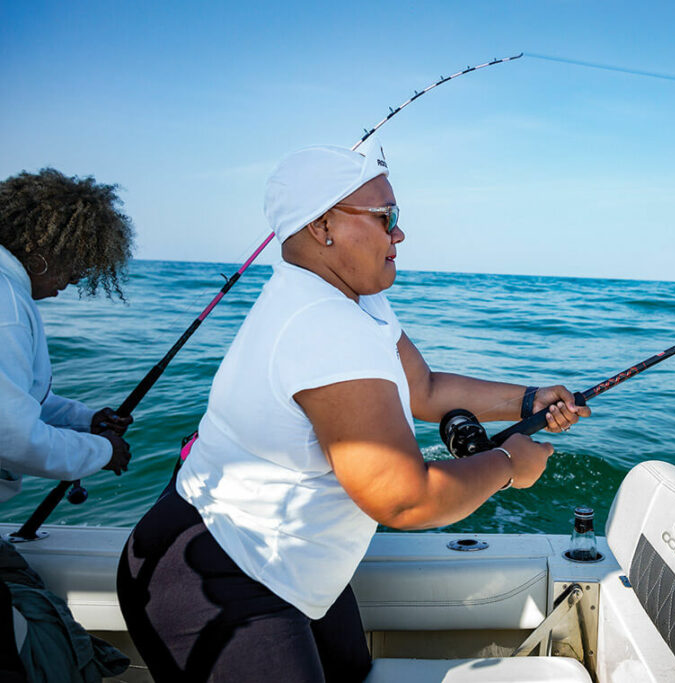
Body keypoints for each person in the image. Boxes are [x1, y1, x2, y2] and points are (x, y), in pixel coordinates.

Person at [117, 140, 591, 682]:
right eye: (387, 217)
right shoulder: (322, 323)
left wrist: (528, 400)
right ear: (324, 227)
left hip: (277, 566)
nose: (399, 233)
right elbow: (404, 499)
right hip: (218, 579)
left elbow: (425, 389)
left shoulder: (354, 300)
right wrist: (510, 465)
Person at [0, 167, 135, 680]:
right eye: (77, 264)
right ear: (40, 250)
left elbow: (19, 397)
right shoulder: (7, 304)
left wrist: (84, 420)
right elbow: (13, 437)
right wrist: (103, 451)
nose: (79, 278)